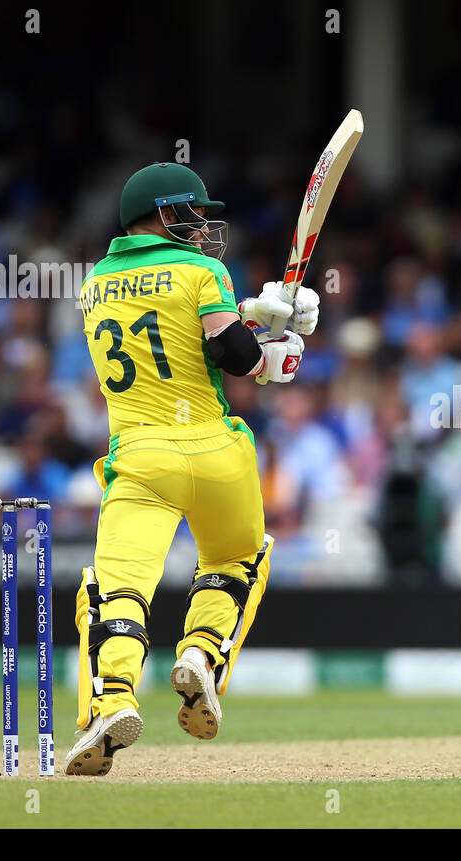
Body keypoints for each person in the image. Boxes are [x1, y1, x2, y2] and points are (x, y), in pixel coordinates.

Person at [64, 162, 319, 776]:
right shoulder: (203, 271)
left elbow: (177, 337)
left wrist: (256, 312)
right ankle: (202, 655)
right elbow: (236, 359)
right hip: (216, 451)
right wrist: (281, 349)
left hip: (142, 457)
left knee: (116, 592)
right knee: (238, 560)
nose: (203, 225)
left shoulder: (93, 284)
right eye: (194, 213)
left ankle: (112, 702)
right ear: (165, 212)